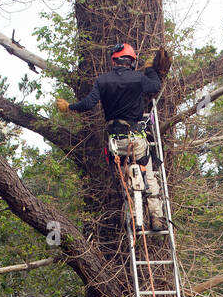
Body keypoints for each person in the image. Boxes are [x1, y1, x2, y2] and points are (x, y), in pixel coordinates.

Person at [56, 42, 171, 231]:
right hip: (136, 139)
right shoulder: (138, 78)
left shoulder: (102, 81)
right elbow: (155, 86)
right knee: (148, 174)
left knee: (126, 179)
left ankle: (134, 218)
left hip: (116, 143)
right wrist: (151, 69)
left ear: (114, 61)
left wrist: (69, 107)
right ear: (132, 61)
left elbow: (88, 103)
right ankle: (156, 218)